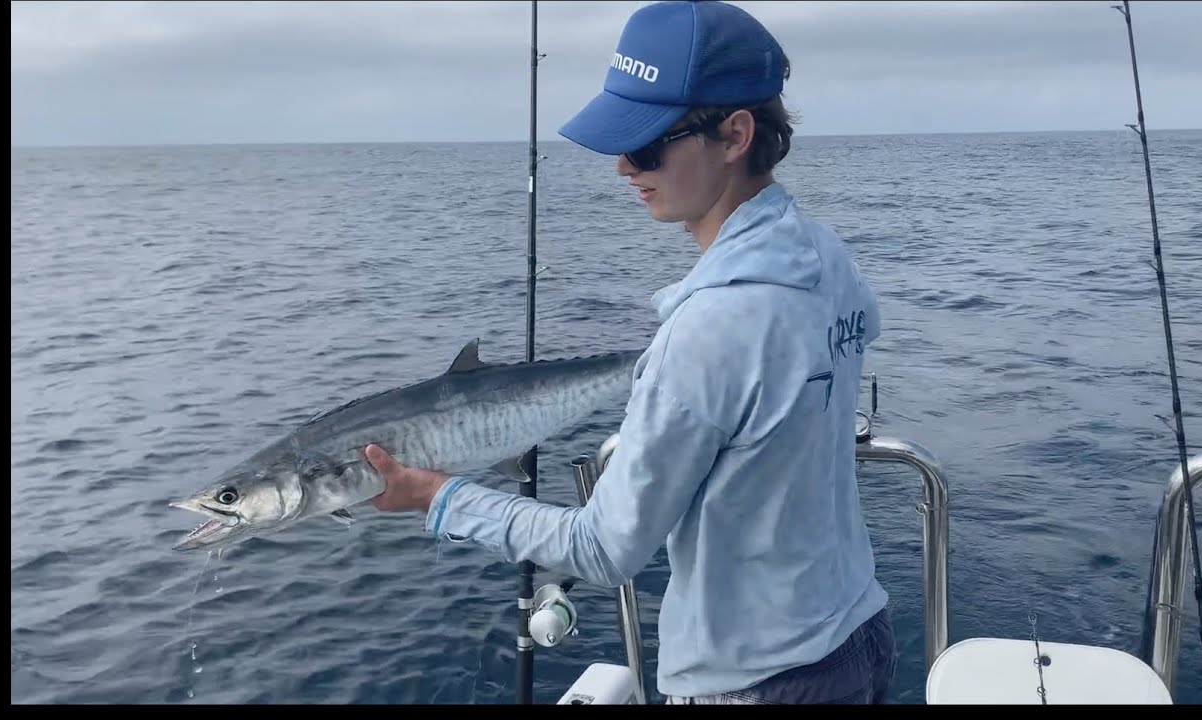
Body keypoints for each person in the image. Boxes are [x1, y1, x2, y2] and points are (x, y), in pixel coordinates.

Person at [362, 0, 895, 705]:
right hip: (858, 636)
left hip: (754, 680)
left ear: (735, 135)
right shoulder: (827, 258)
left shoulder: (708, 327)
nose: (621, 165)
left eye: (645, 144)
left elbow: (603, 549)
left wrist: (439, 498)